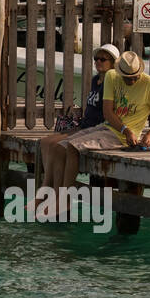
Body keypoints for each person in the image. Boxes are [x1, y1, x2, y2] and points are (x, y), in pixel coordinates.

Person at [39, 44, 118, 195]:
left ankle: (51, 189)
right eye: (96, 59)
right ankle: (49, 184)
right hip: (83, 124)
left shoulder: (112, 81)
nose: (98, 62)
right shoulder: (96, 80)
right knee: (45, 142)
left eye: (103, 59)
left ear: (113, 62)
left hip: (95, 128)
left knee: (55, 146)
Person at [64, 49, 150, 155]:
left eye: (134, 77)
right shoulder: (111, 75)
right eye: (127, 78)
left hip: (122, 138)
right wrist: (125, 130)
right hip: (107, 127)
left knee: (71, 147)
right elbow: (107, 112)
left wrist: (149, 135)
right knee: (61, 146)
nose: (131, 81)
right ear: (119, 73)